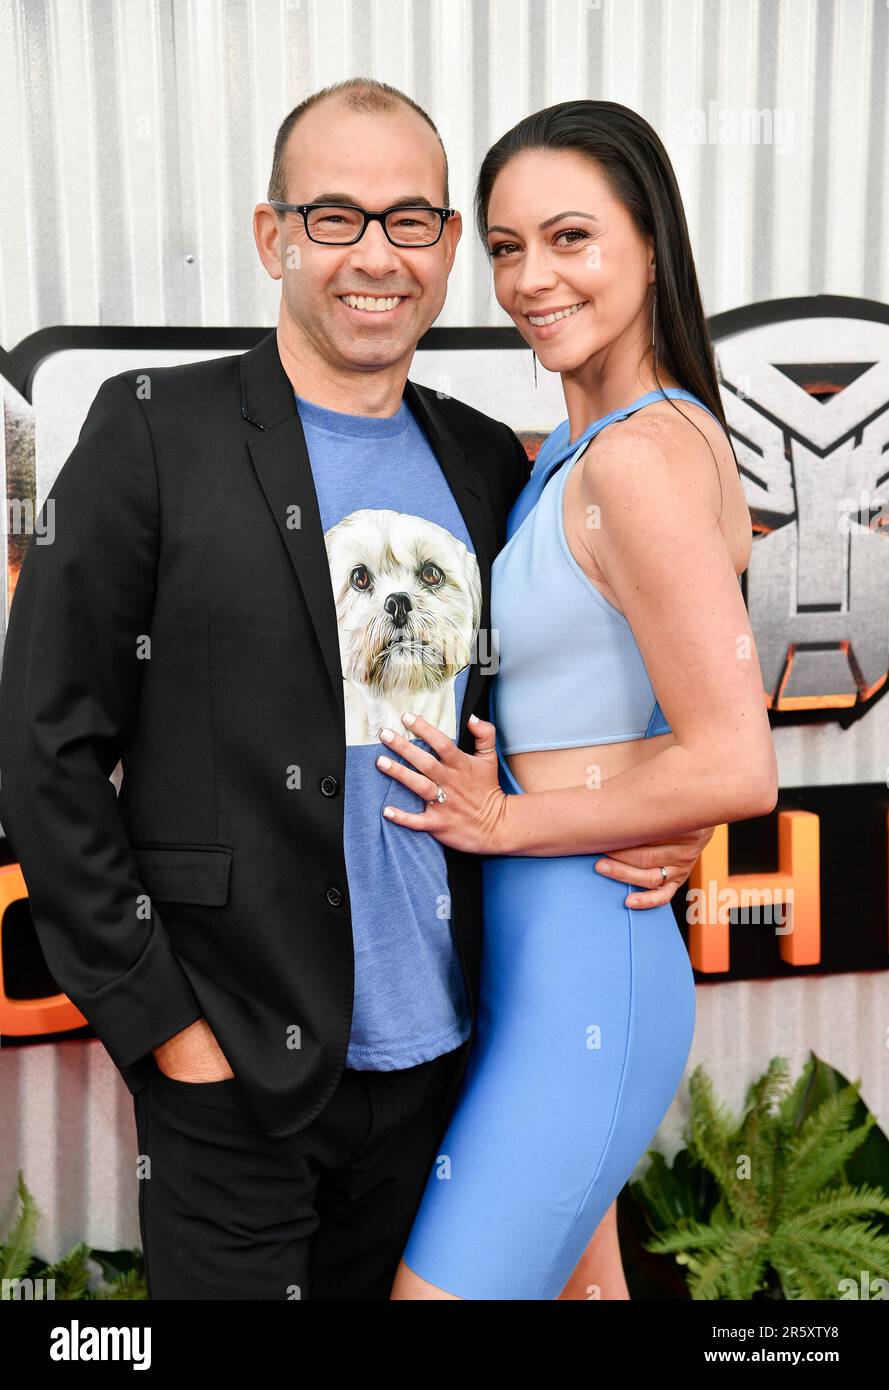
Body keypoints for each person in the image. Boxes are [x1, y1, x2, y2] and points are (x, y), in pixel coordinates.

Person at [0, 82, 713, 1301]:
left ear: (444, 252)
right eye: (335, 218)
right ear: (274, 236)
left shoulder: (493, 463)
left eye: (412, 221)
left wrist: (672, 809)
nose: (375, 255)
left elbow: (581, 714)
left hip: (452, 1066)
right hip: (238, 1076)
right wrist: (166, 1026)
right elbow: (44, 741)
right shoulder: (153, 433)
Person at [385, 100, 778, 1300]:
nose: (528, 278)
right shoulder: (580, 447)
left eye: (569, 238)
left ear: (649, 243)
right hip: (541, 965)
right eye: (505, 247)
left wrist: (502, 819)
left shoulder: (638, 458)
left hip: (584, 976)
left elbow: (735, 765)